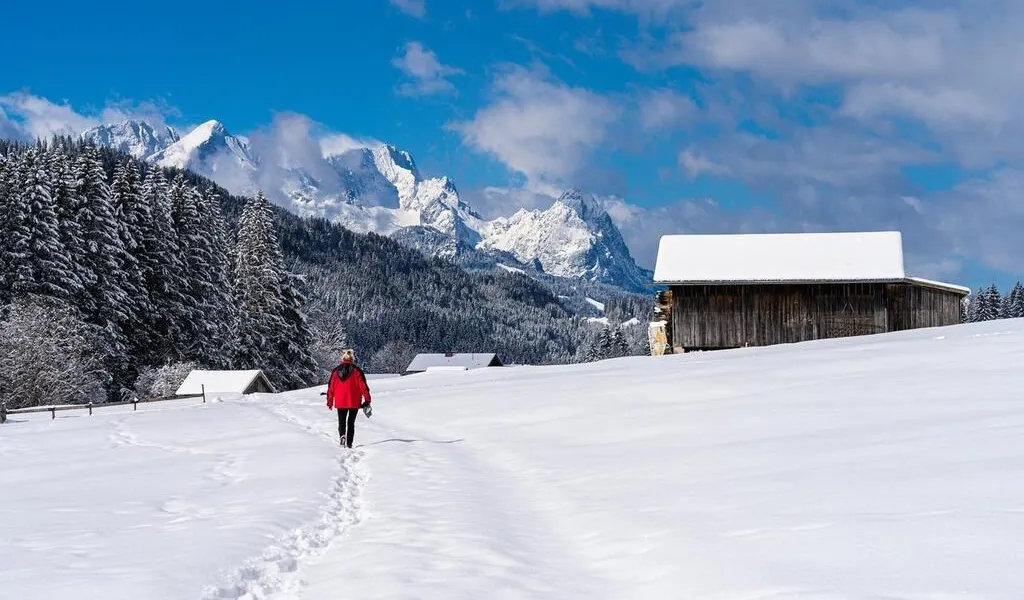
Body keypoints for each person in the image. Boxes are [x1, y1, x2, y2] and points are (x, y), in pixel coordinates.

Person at [326, 349, 371, 447]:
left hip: (340, 401)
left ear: (342, 358)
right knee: (351, 423)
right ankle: (349, 443)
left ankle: (342, 435)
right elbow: (363, 387)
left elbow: (331, 388)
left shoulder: (335, 371)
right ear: (352, 359)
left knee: (341, 422)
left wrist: (329, 402)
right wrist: (367, 400)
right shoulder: (357, 371)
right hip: (354, 401)